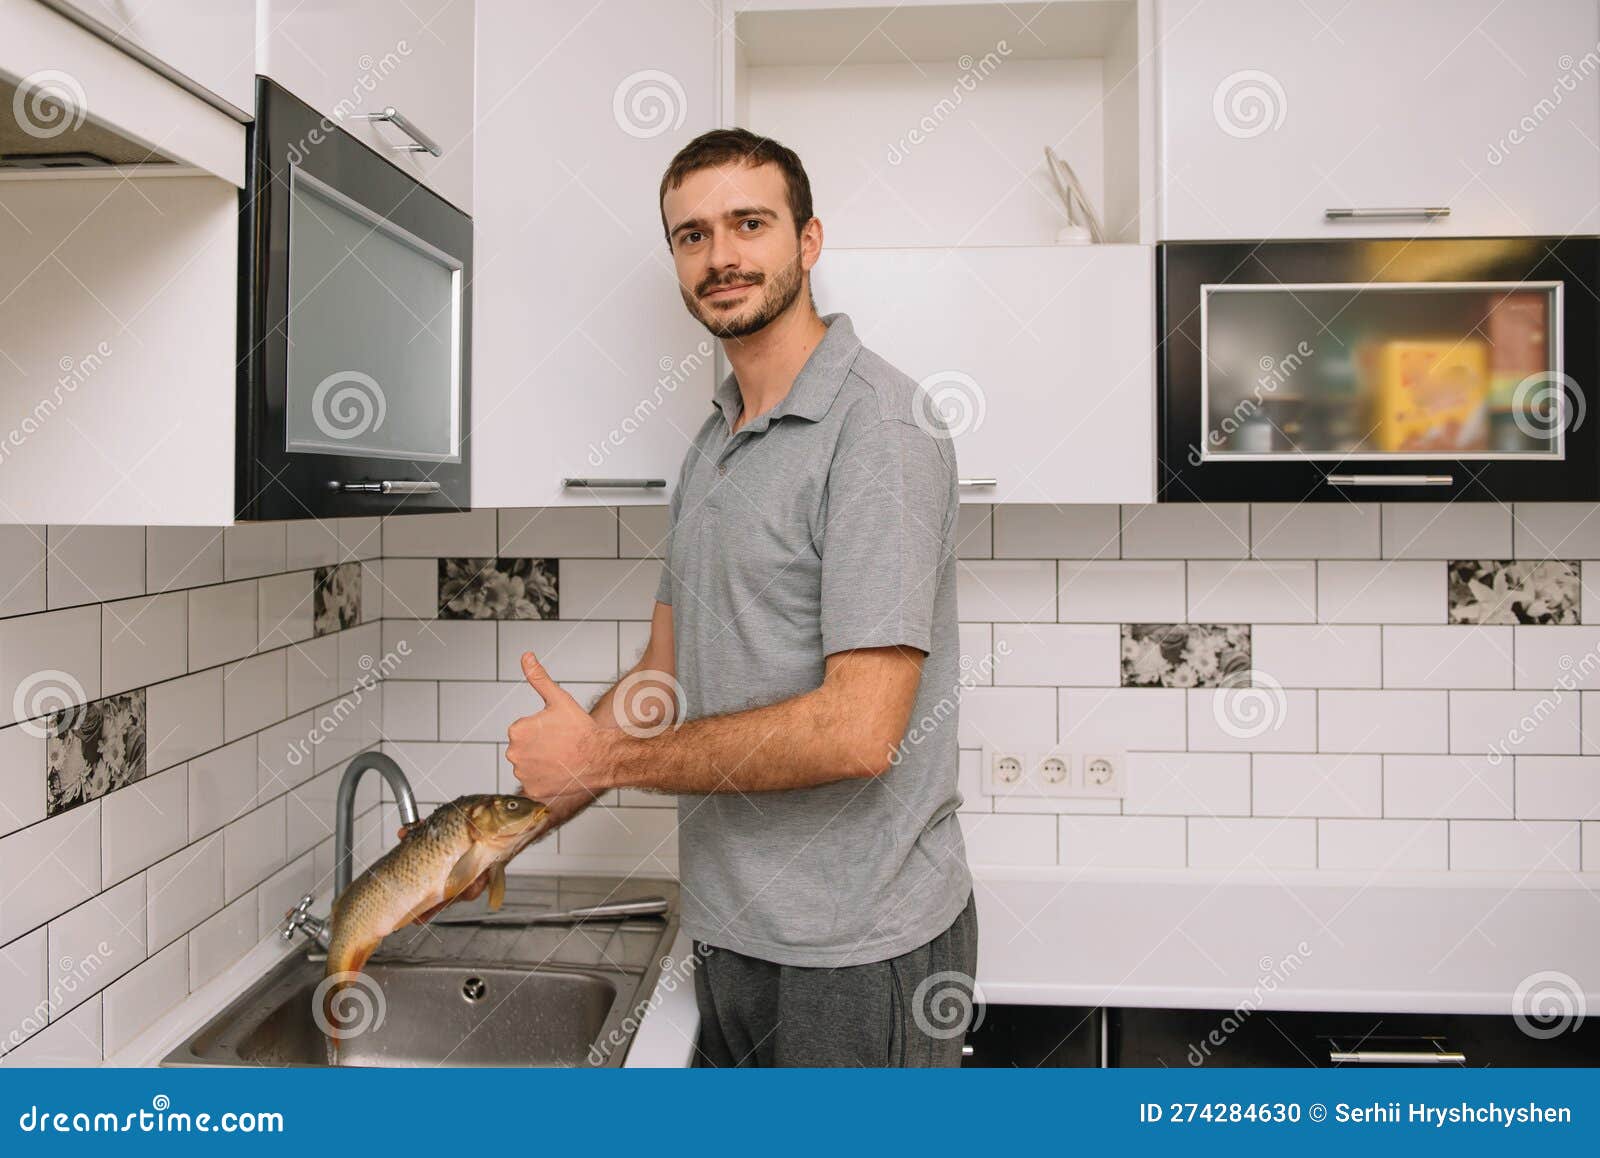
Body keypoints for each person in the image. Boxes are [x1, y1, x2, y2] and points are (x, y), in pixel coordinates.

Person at [496, 128, 976, 1066]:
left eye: (748, 224)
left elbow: (860, 730)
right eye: (692, 235)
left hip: (857, 951)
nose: (720, 256)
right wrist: (511, 827)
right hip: (730, 932)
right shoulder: (713, 442)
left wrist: (597, 760)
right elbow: (662, 679)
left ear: (808, 241)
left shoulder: (880, 430)